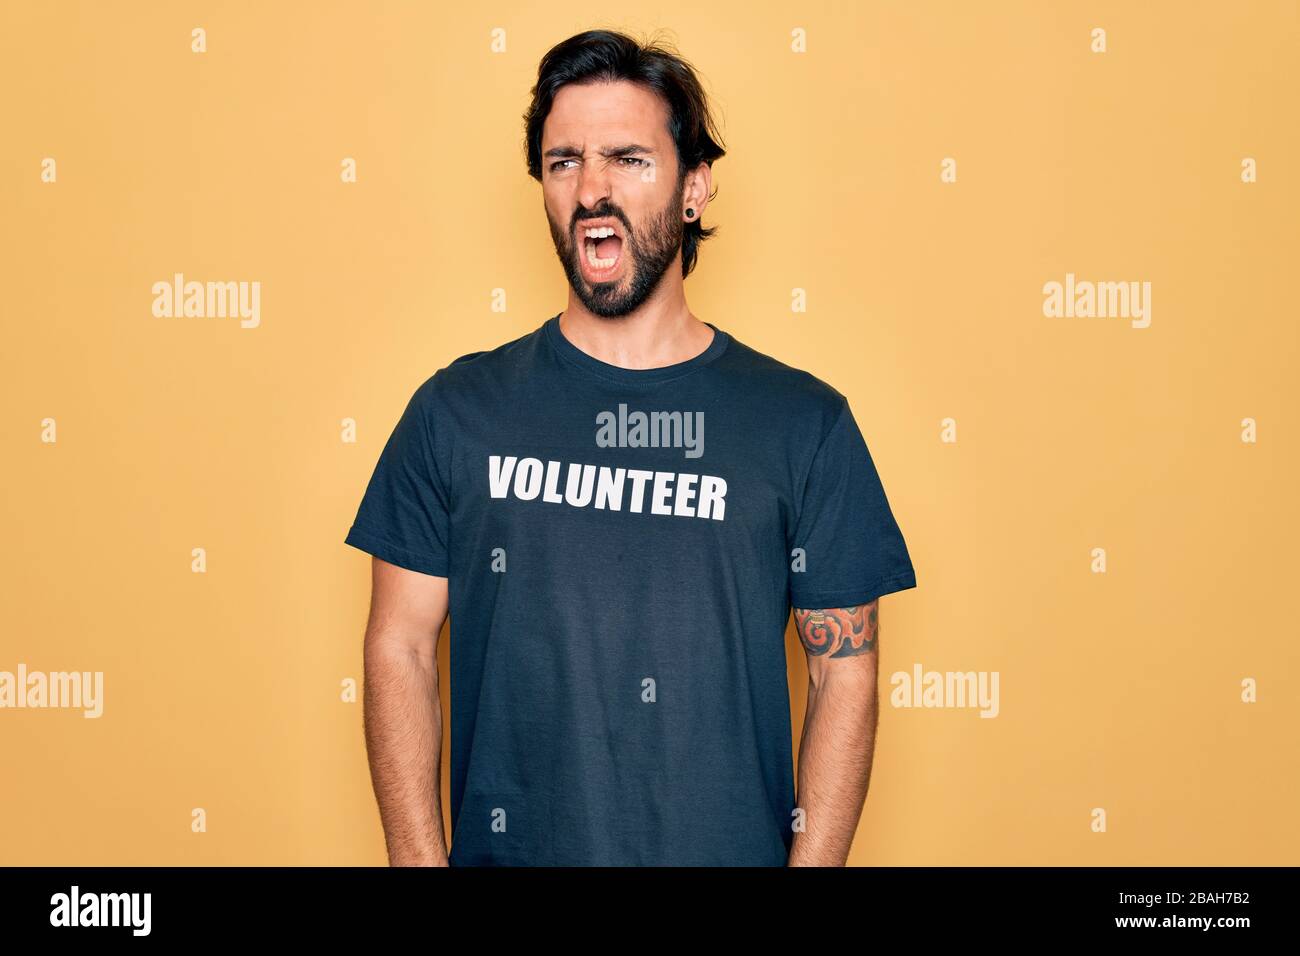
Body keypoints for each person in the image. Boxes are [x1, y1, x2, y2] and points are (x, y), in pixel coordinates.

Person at [345, 28, 917, 867]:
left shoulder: (803, 424)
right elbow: (397, 648)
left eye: (629, 159)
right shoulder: (456, 413)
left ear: (695, 187)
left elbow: (845, 675)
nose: (592, 190)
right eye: (564, 161)